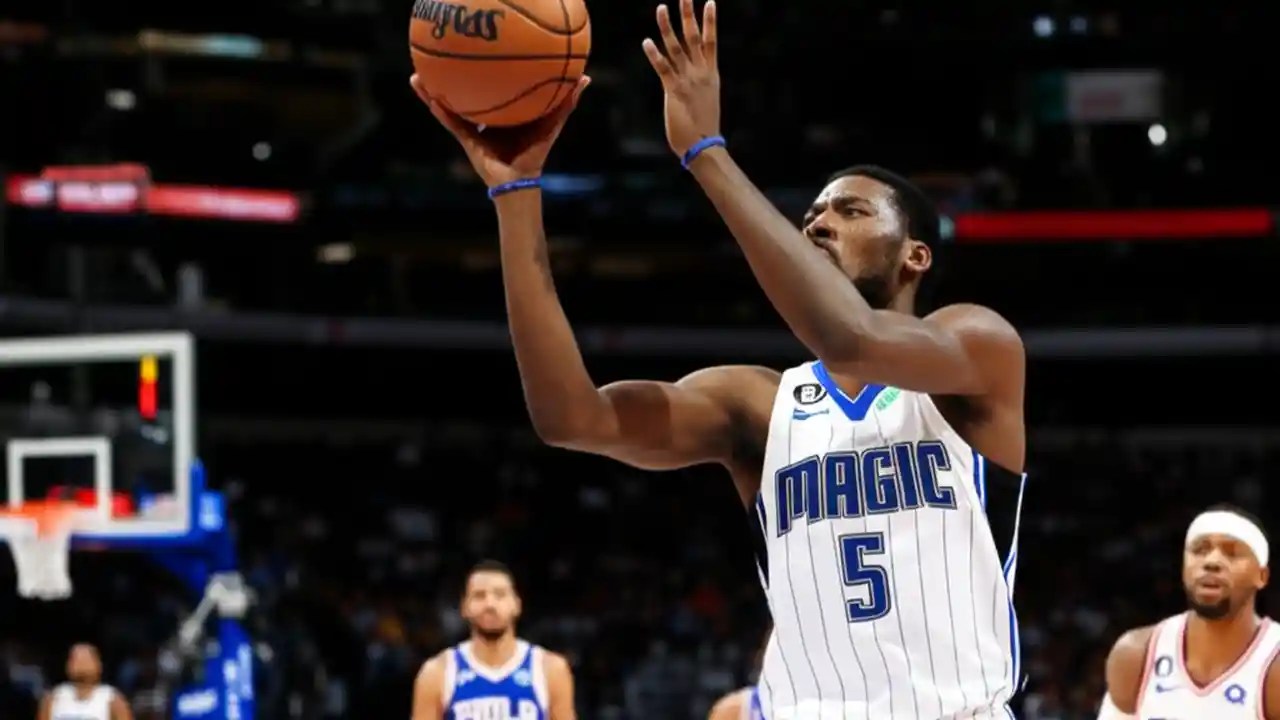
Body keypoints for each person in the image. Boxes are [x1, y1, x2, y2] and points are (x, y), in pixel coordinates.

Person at [409, 0, 1026, 714]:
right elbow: (571, 417)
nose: (819, 221)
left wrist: (707, 152)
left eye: (850, 211)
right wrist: (515, 195)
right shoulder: (754, 405)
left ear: (916, 254)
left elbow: (851, 337)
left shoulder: (977, 348)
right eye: (811, 216)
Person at [1100, 504, 1280, 719]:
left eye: (1231, 553)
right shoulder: (1136, 655)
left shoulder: (1274, 669)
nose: (1212, 562)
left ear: (1261, 576)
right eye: (1200, 550)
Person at [412, 560, 576, 720]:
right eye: (479, 596)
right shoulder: (436, 673)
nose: (489, 604)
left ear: (517, 605)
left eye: (500, 595)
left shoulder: (550, 669)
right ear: (464, 607)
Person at [37, 643, 132, 720]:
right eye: (75, 659)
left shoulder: (112, 699)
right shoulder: (53, 698)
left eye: (85, 659)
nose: (80, 663)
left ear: (98, 665)